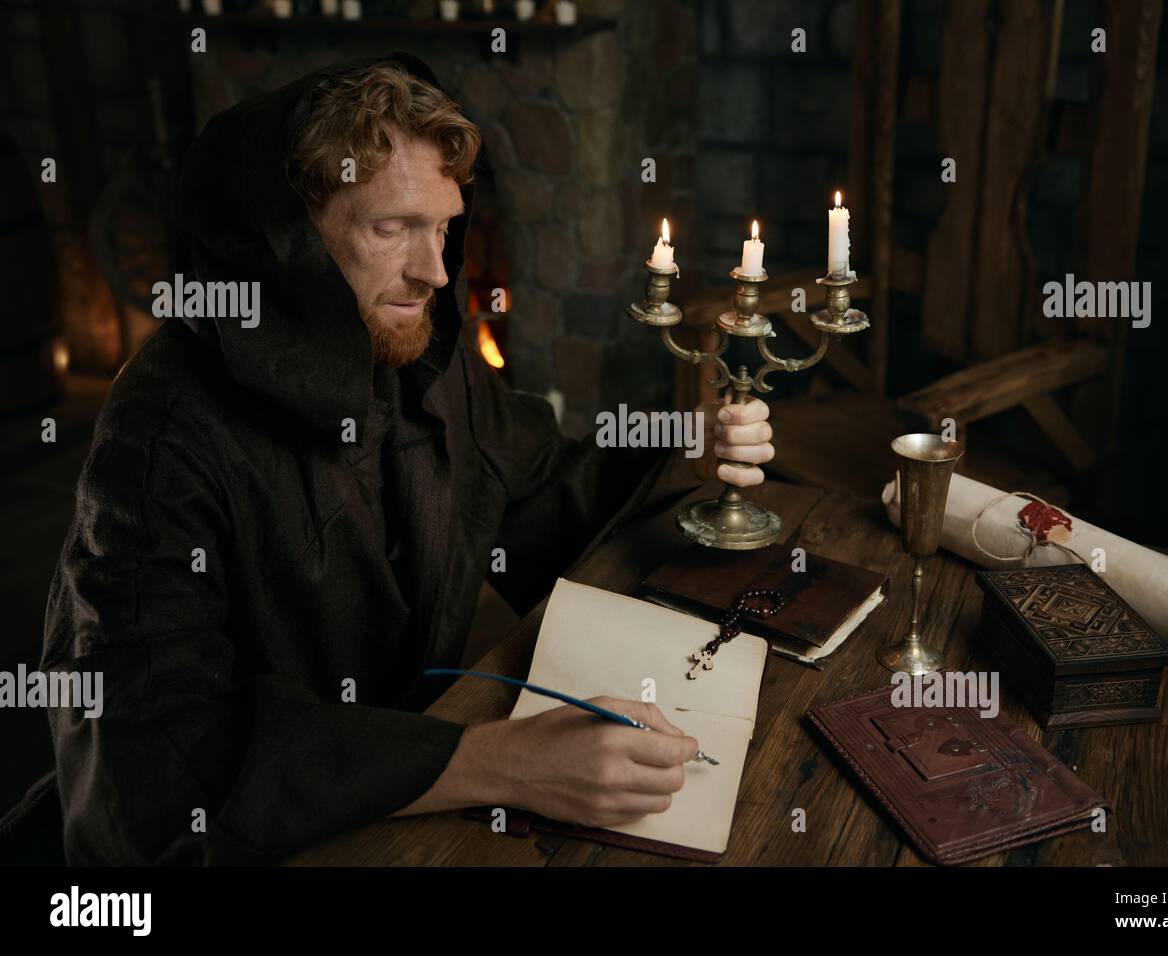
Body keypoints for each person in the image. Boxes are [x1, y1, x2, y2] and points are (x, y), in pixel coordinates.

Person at [34, 54, 775, 865]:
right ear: (287, 242)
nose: (434, 272)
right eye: (391, 227)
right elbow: (150, 763)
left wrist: (683, 451)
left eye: (446, 227)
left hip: (412, 808)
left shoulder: (419, 352)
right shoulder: (166, 427)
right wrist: (500, 762)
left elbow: (548, 490)